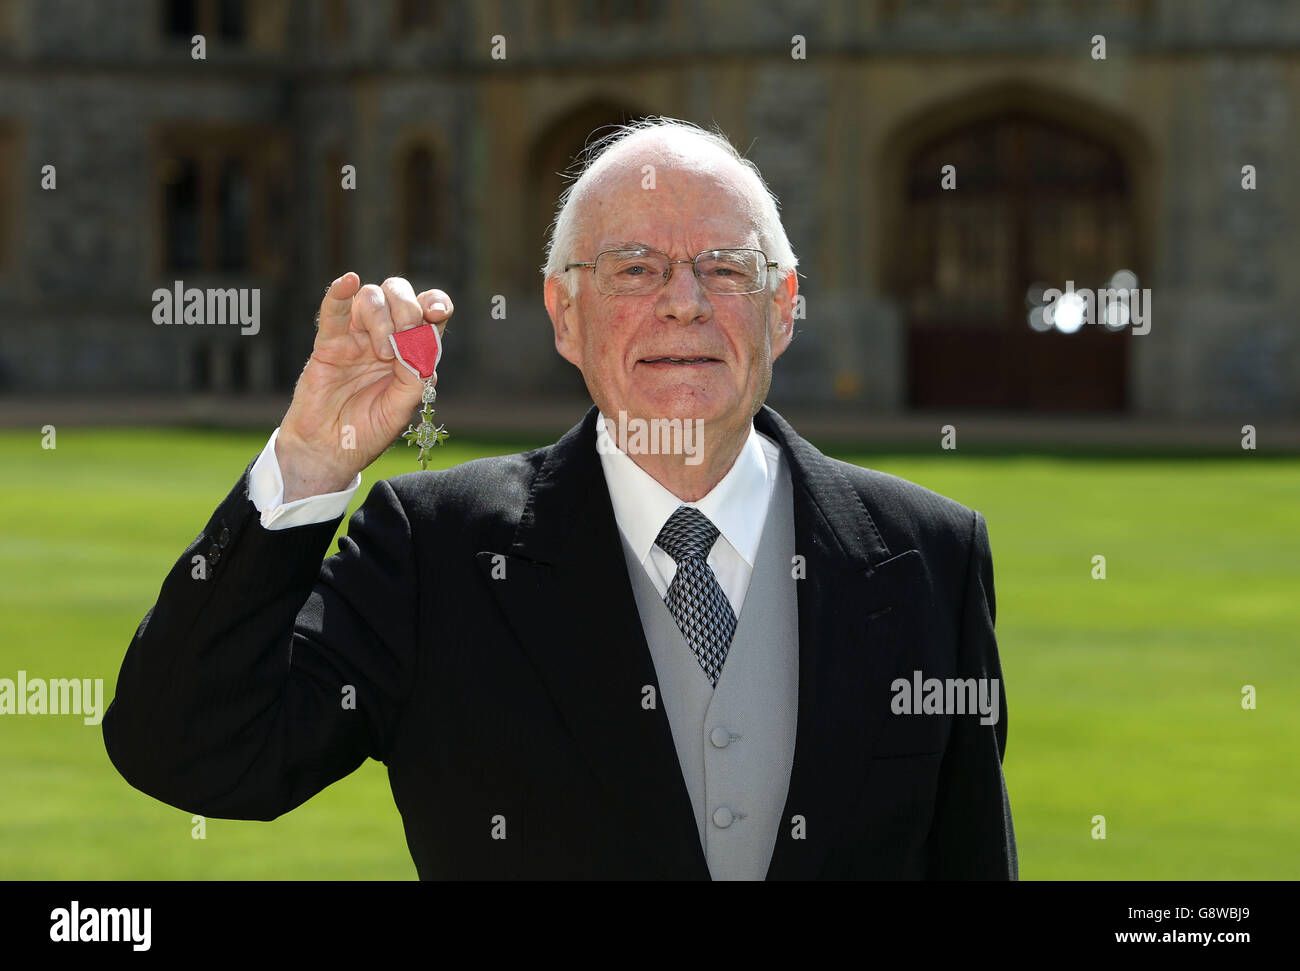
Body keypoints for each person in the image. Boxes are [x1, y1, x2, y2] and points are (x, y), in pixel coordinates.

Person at [104, 117, 1017, 880]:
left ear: (782, 307)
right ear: (562, 315)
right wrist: (307, 464)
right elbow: (187, 749)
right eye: (633, 268)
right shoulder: (436, 553)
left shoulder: (930, 555)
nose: (684, 304)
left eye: (726, 268)